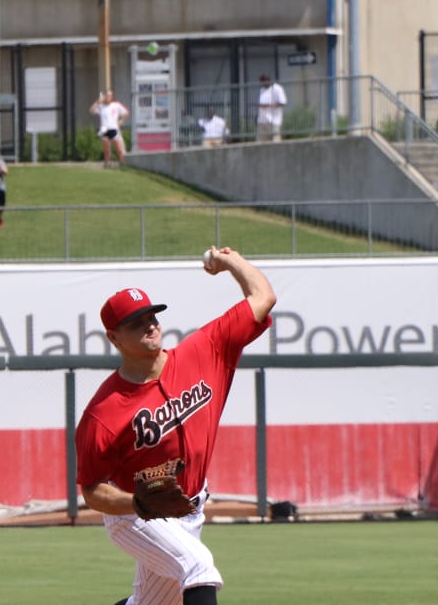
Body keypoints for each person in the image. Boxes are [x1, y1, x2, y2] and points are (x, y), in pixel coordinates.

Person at [75, 246, 276, 605]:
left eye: (151, 316)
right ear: (114, 338)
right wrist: (136, 503)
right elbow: (91, 491)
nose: (149, 325)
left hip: (188, 510)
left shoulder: (205, 350)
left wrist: (230, 261)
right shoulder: (102, 412)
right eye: (135, 323)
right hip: (135, 517)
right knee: (199, 567)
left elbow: (263, 297)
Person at [91, 90, 130, 168]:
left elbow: (126, 113)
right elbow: (92, 110)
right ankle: (107, 164)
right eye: (107, 95)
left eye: (110, 95)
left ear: (112, 97)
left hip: (114, 128)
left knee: (119, 148)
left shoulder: (116, 105)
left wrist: (121, 121)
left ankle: (122, 163)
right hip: (104, 128)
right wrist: (98, 101)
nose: (108, 97)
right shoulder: (101, 106)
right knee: (106, 150)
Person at [256, 75, 286, 143]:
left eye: (263, 83)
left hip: (274, 120)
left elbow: (282, 102)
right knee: (260, 142)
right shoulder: (262, 89)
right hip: (262, 121)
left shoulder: (277, 88)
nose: (262, 85)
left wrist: (268, 105)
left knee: (275, 141)